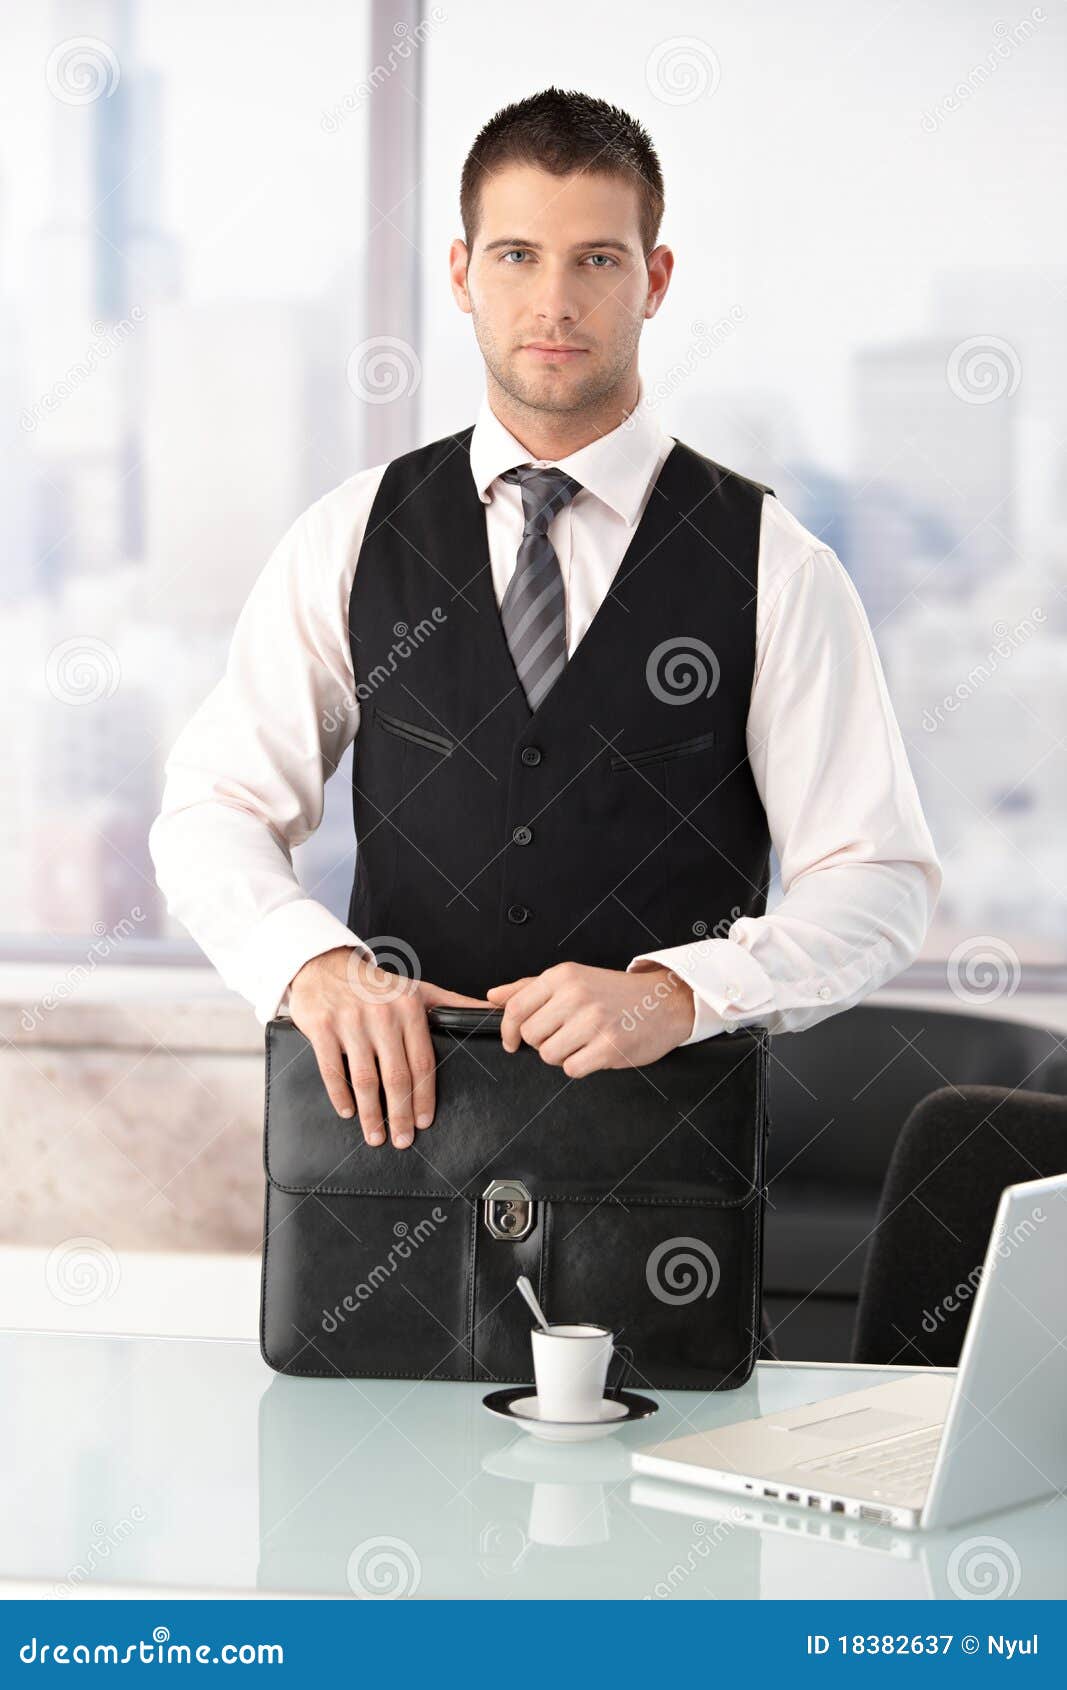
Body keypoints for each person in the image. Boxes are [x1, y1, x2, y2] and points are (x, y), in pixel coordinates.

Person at [149, 87, 941, 1158]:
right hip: (391, 1157)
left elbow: (877, 877)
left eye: (596, 261)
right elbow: (211, 807)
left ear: (654, 280)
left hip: (663, 1167)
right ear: (461, 272)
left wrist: (677, 992)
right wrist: (310, 963)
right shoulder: (349, 535)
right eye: (516, 255)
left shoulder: (775, 564)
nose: (553, 303)